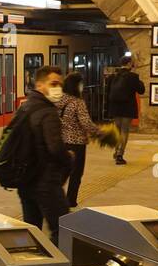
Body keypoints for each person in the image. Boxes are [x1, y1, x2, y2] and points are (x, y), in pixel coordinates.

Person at [14, 65, 70, 243]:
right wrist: (70, 159)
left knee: (32, 230)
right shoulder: (48, 112)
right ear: (40, 85)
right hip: (46, 181)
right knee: (62, 230)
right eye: (53, 83)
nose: (58, 88)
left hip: (25, 180)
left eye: (60, 85)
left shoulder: (25, 107)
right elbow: (55, 148)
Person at [57, 71, 101, 210]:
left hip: (61, 142)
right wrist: (99, 132)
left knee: (62, 172)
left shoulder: (59, 99)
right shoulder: (78, 102)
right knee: (76, 173)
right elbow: (86, 123)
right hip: (77, 144)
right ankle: (71, 201)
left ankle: (56, 197)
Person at [105, 58, 144, 165]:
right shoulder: (133, 77)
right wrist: (137, 76)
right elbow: (141, 90)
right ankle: (119, 154)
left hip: (115, 107)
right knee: (124, 130)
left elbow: (107, 93)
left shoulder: (113, 76)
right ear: (129, 64)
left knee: (117, 129)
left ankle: (116, 150)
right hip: (127, 107)